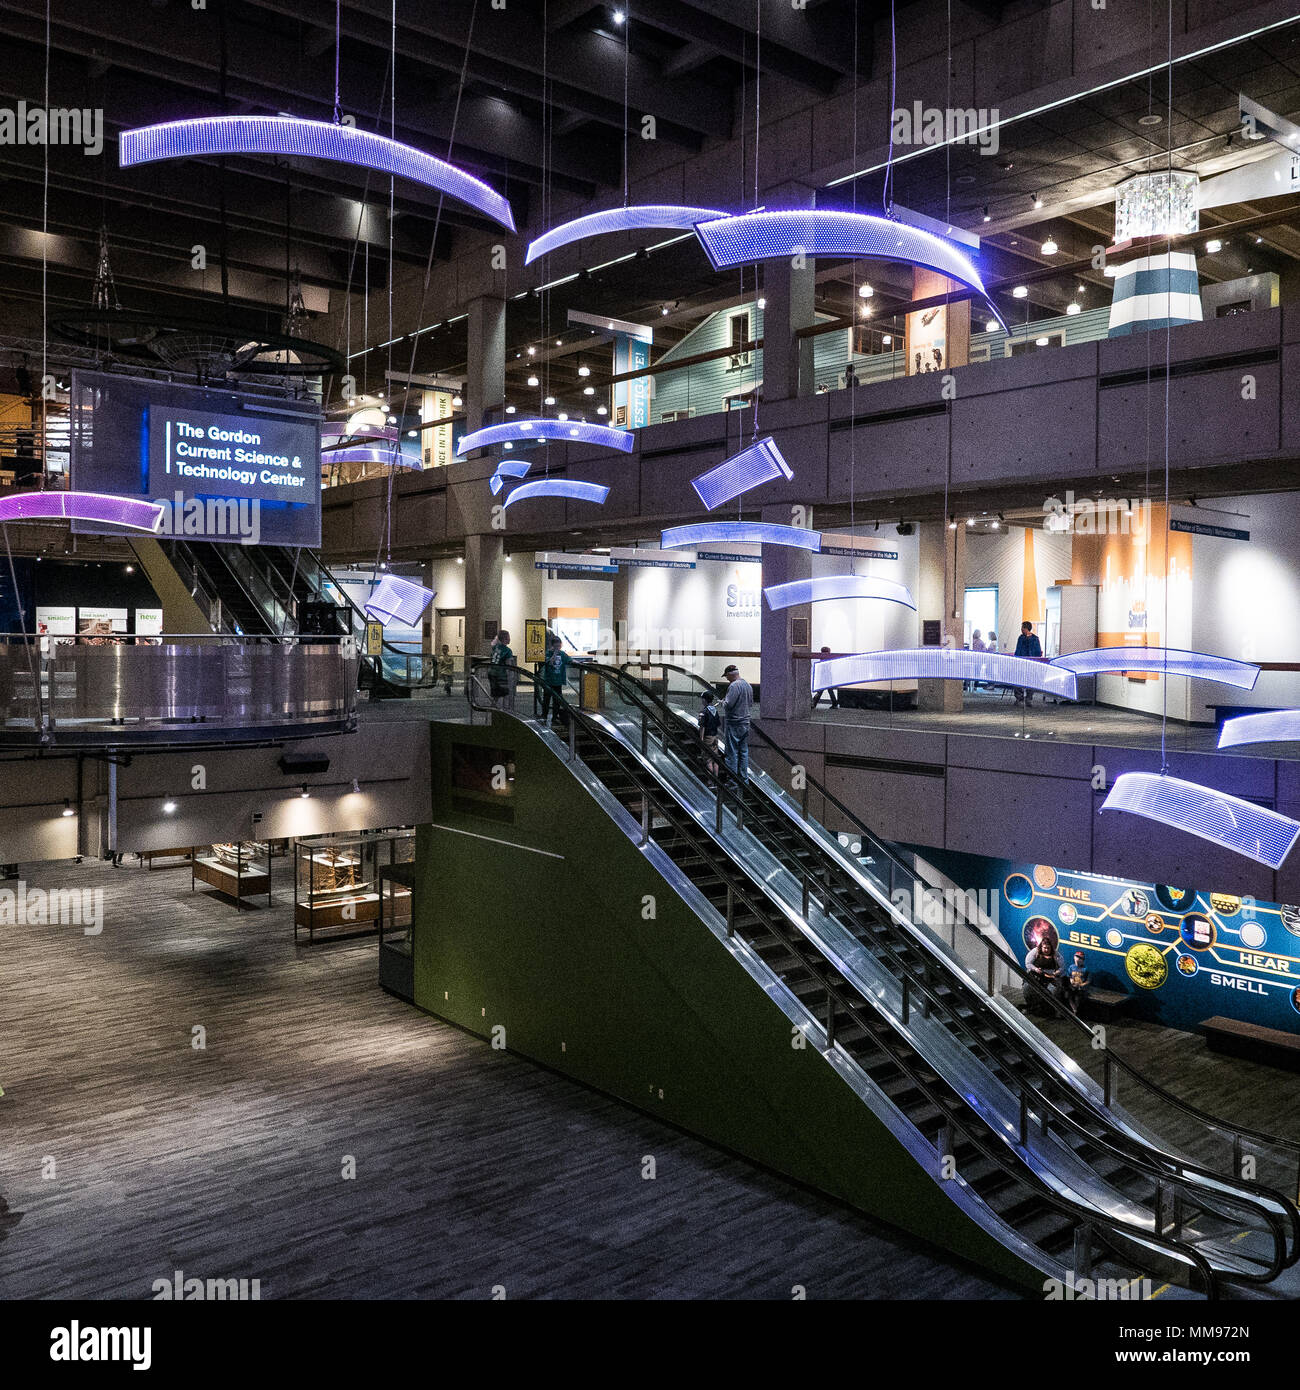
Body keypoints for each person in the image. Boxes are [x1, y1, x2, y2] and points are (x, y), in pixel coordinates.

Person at [721, 662, 754, 786]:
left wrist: (722, 701)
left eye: (726, 676)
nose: (727, 679)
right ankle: (744, 779)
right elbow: (750, 703)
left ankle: (732, 780)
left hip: (734, 723)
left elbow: (728, 704)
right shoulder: (747, 685)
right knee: (743, 751)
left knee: (732, 752)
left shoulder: (734, 686)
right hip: (746, 722)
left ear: (731, 675)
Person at [537, 631, 571, 728]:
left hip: (558, 681)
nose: (558, 647)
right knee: (546, 699)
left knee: (557, 700)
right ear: (552, 645)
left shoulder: (563, 654)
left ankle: (555, 717)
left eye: (559, 646)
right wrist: (554, 653)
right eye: (556, 646)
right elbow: (550, 663)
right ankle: (544, 716)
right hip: (549, 681)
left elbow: (570, 660)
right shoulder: (548, 653)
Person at [1024, 932, 1064, 1013]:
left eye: (1048, 948)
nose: (1046, 950)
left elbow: (1062, 967)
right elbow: (1028, 963)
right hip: (1036, 975)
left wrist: (1057, 972)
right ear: (1041, 947)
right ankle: (1031, 1007)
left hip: (1050, 977)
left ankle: (1052, 1010)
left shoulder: (1056, 954)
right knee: (1027, 988)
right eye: (1045, 948)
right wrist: (1035, 969)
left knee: (1055, 991)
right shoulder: (1035, 951)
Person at [1013, 620, 1042, 705]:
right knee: (1017, 681)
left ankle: (1028, 698)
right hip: (1021, 663)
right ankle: (1019, 698)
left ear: (1026, 628)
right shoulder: (1021, 638)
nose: (1021, 629)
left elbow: (1038, 652)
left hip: (1031, 663)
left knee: (1030, 681)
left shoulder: (1034, 639)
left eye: (1022, 628)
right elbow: (1018, 650)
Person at [697, 689, 722, 774]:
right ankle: (717, 781)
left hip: (707, 738)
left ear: (704, 699)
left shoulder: (704, 712)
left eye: (702, 699)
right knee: (715, 759)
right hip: (715, 736)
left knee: (708, 760)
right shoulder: (715, 711)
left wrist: (701, 739)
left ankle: (711, 782)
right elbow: (718, 724)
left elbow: (702, 727)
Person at [488, 629, 513, 708]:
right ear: (505, 638)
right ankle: (503, 712)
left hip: (492, 673)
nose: (510, 639)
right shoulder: (507, 651)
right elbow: (508, 665)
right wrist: (510, 676)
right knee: (505, 694)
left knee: (495, 696)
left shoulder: (495, 647)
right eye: (509, 637)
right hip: (500, 675)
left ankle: (492, 710)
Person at [1062, 950, 1090, 1016]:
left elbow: (1088, 981)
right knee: (1068, 995)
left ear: (1083, 960)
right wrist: (1071, 980)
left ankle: (1076, 1011)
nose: (1078, 959)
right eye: (1077, 957)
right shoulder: (1071, 967)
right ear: (1074, 957)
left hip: (1080, 988)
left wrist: (1081, 985)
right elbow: (1068, 976)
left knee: (1078, 997)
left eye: (1081, 958)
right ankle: (1074, 1009)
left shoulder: (1085, 969)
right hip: (1072, 986)